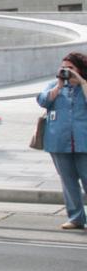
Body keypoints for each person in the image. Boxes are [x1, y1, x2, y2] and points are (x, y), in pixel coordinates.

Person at [38, 52, 87, 230]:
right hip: (58, 141)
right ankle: (76, 218)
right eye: (63, 67)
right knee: (68, 181)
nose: (66, 71)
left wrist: (80, 81)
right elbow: (42, 101)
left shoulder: (84, 86)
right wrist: (59, 85)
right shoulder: (54, 86)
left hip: (83, 141)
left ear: (80, 69)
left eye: (71, 68)